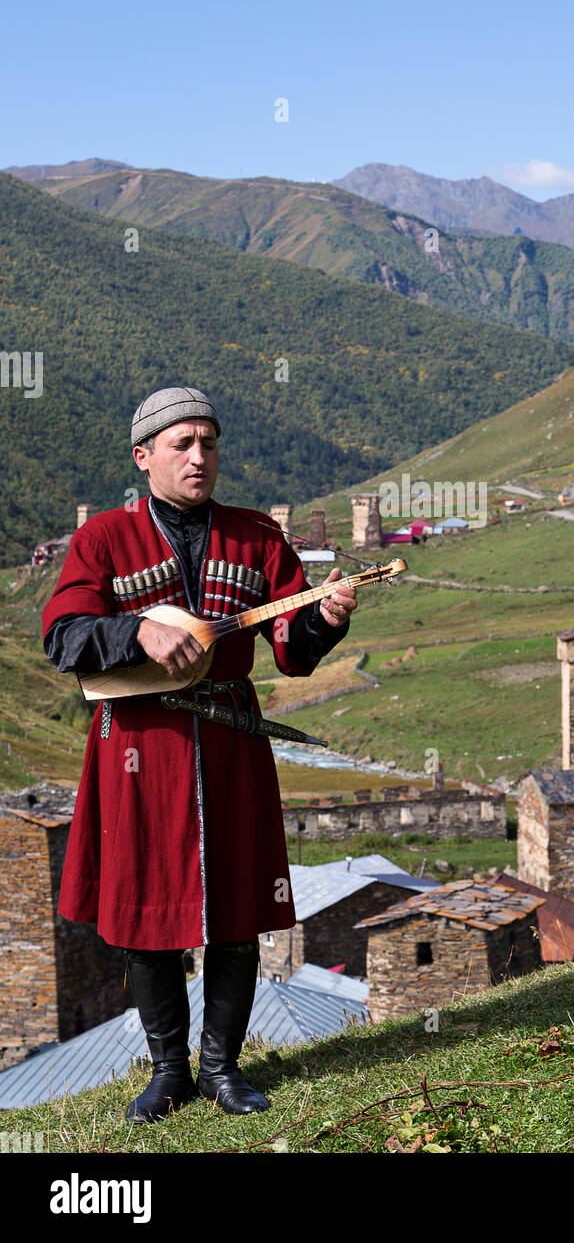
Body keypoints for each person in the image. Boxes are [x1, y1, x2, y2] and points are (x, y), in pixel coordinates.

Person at [42, 386, 358, 1122]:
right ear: (143, 456)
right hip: (138, 746)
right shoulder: (103, 543)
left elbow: (291, 652)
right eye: (181, 444)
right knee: (145, 910)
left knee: (236, 909)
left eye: (208, 443)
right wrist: (137, 635)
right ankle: (168, 1072)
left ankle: (221, 1069)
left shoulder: (256, 538)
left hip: (229, 739)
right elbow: (63, 636)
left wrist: (326, 621)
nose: (199, 457)